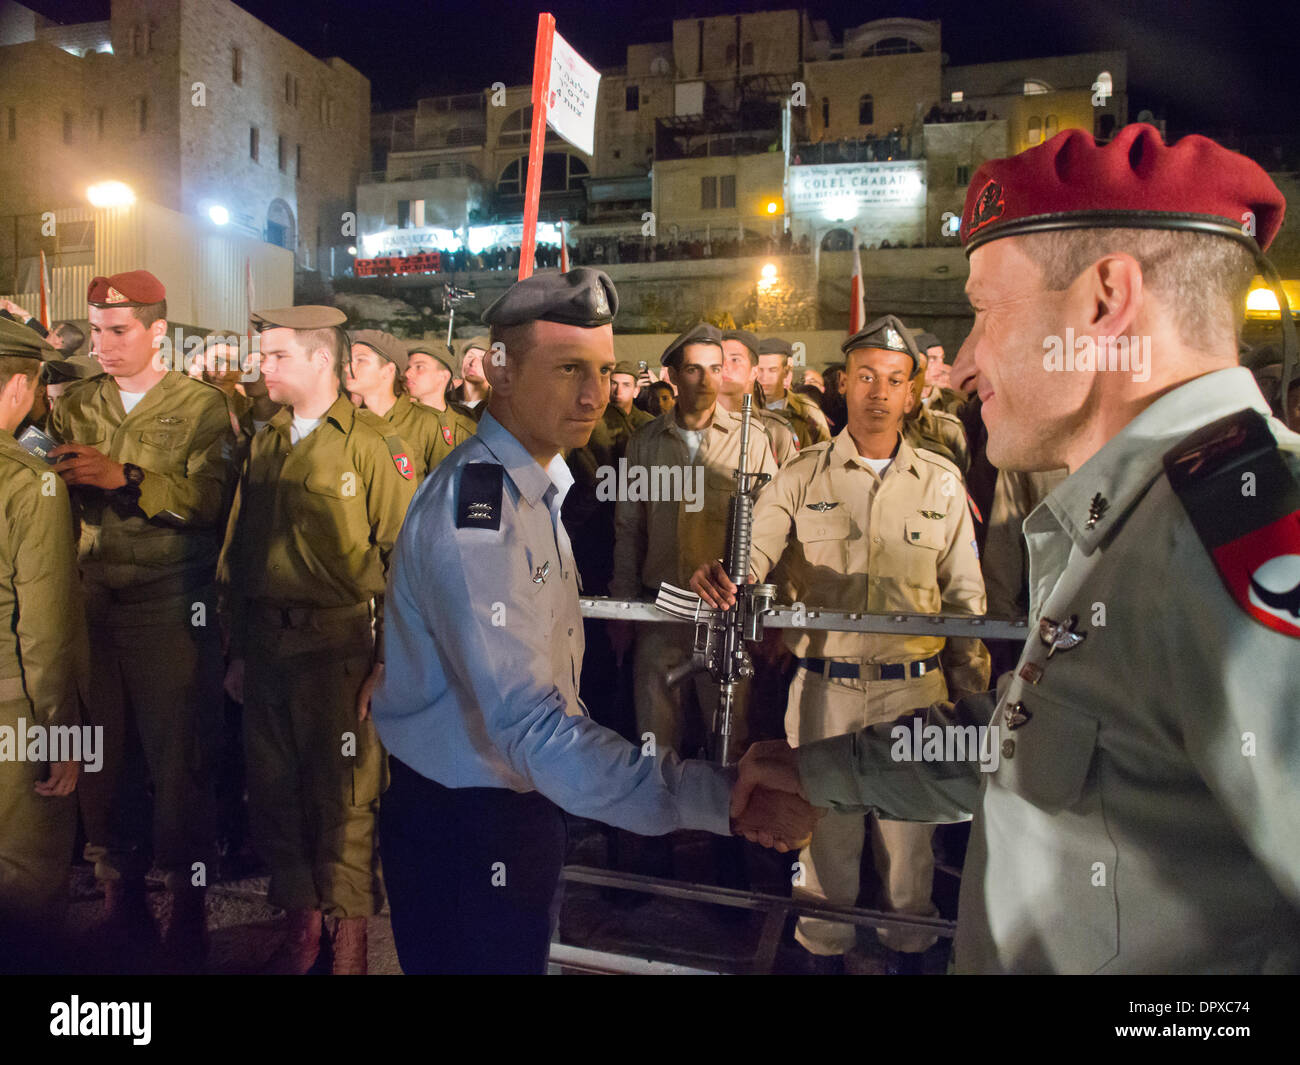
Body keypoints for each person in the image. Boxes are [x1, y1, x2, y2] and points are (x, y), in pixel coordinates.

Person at [730, 123, 1300, 973]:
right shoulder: (1140, 519)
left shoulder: (1246, 537)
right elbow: (1019, 744)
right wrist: (828, 773)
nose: (961, 362)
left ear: (1105, 300)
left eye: (986, 311)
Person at [371, 270, 816, 975]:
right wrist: (714, 795)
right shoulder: (480, 507)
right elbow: (529, 723)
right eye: (569, 368)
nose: (594, 393)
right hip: (471, 823)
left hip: (514, 806)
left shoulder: (530, 489)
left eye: (604, 370)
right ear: (501, 371)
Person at [693, 314, 989, 973]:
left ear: (911, 392)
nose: (878, 392)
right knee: (822, 860)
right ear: (844, 384)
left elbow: (966, 599)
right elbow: (754, 555)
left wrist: (970, 694)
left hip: (918, 693)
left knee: (911, 865)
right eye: (864, 376)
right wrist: (728, 575)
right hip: (825, 691)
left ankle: (909, 956)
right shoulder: (802, 474)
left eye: (893, 379)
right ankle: (824, 958)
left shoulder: (941, 480)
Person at [220, 306, 416, 975]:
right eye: (262, 355)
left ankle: (350, 936)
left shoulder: (371, 443)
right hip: (269, 651)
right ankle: (302, 924)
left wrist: (389, 662)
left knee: (347, 797)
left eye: (276, 356)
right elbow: (241, 555)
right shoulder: (266, 440)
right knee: (275, 793)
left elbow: (406, 564)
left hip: (340, 653)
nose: (262, 368)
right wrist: (240, 649)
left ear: (319, 358)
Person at [48, 270, 235, 970]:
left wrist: (126, 478)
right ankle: (120, 898)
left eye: (119, 331)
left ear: (159, 332)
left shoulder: (200, 407)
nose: (103, 345)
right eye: (95, 331)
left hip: (169, 602)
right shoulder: (75, 405)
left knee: (181, 760)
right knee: (103, 760)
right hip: (94, 601)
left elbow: (209, 504)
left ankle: (189, 906)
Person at [610, 324, 778, 765]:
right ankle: (656, 831)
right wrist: (622, 607)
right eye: (693, 370)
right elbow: (630, 529)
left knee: (731, 747)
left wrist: (763, 615)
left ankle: (726, 829)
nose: (706, 380)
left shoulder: (751, 442)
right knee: (655, 747)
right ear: (671, 376)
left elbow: (772, 530)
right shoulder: (645, 444)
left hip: (726, 619)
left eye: (715, 369)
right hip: (659, 614)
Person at [0, 317, 88, 973]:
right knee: (26, 883)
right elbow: (46, 629)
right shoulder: (32, 482)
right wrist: (63, 733)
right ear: (19, 385)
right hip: (15, 716)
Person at [347, 329, 472, 480]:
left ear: (388, 370)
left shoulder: (429, 423)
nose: (348, 368)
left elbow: (443, 486)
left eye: (361, 360)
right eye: (407, 368)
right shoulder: (347, 421)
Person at [719, 328, 799, 466]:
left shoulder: (775, 431)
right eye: (719, 360)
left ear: (754, 371)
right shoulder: (694, 426)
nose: (725, 366)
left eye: (735, 359)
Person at [756, 337, 832, 447]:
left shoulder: (807, 411)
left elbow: (825, 452)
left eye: (773, 370)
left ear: (786, 372)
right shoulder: (742, 408)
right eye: (760, 370)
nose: (764, 377)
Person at [403, 341, 456, 411]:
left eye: (419, 367)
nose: (407, 374)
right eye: (407, 368)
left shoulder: (462, 421)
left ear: (444, 376)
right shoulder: (395, 418)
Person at [451, 335, 491, 420]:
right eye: (470, 356)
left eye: (481, 359)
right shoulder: (444, 401)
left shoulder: (499, 409)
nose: (472, 363)